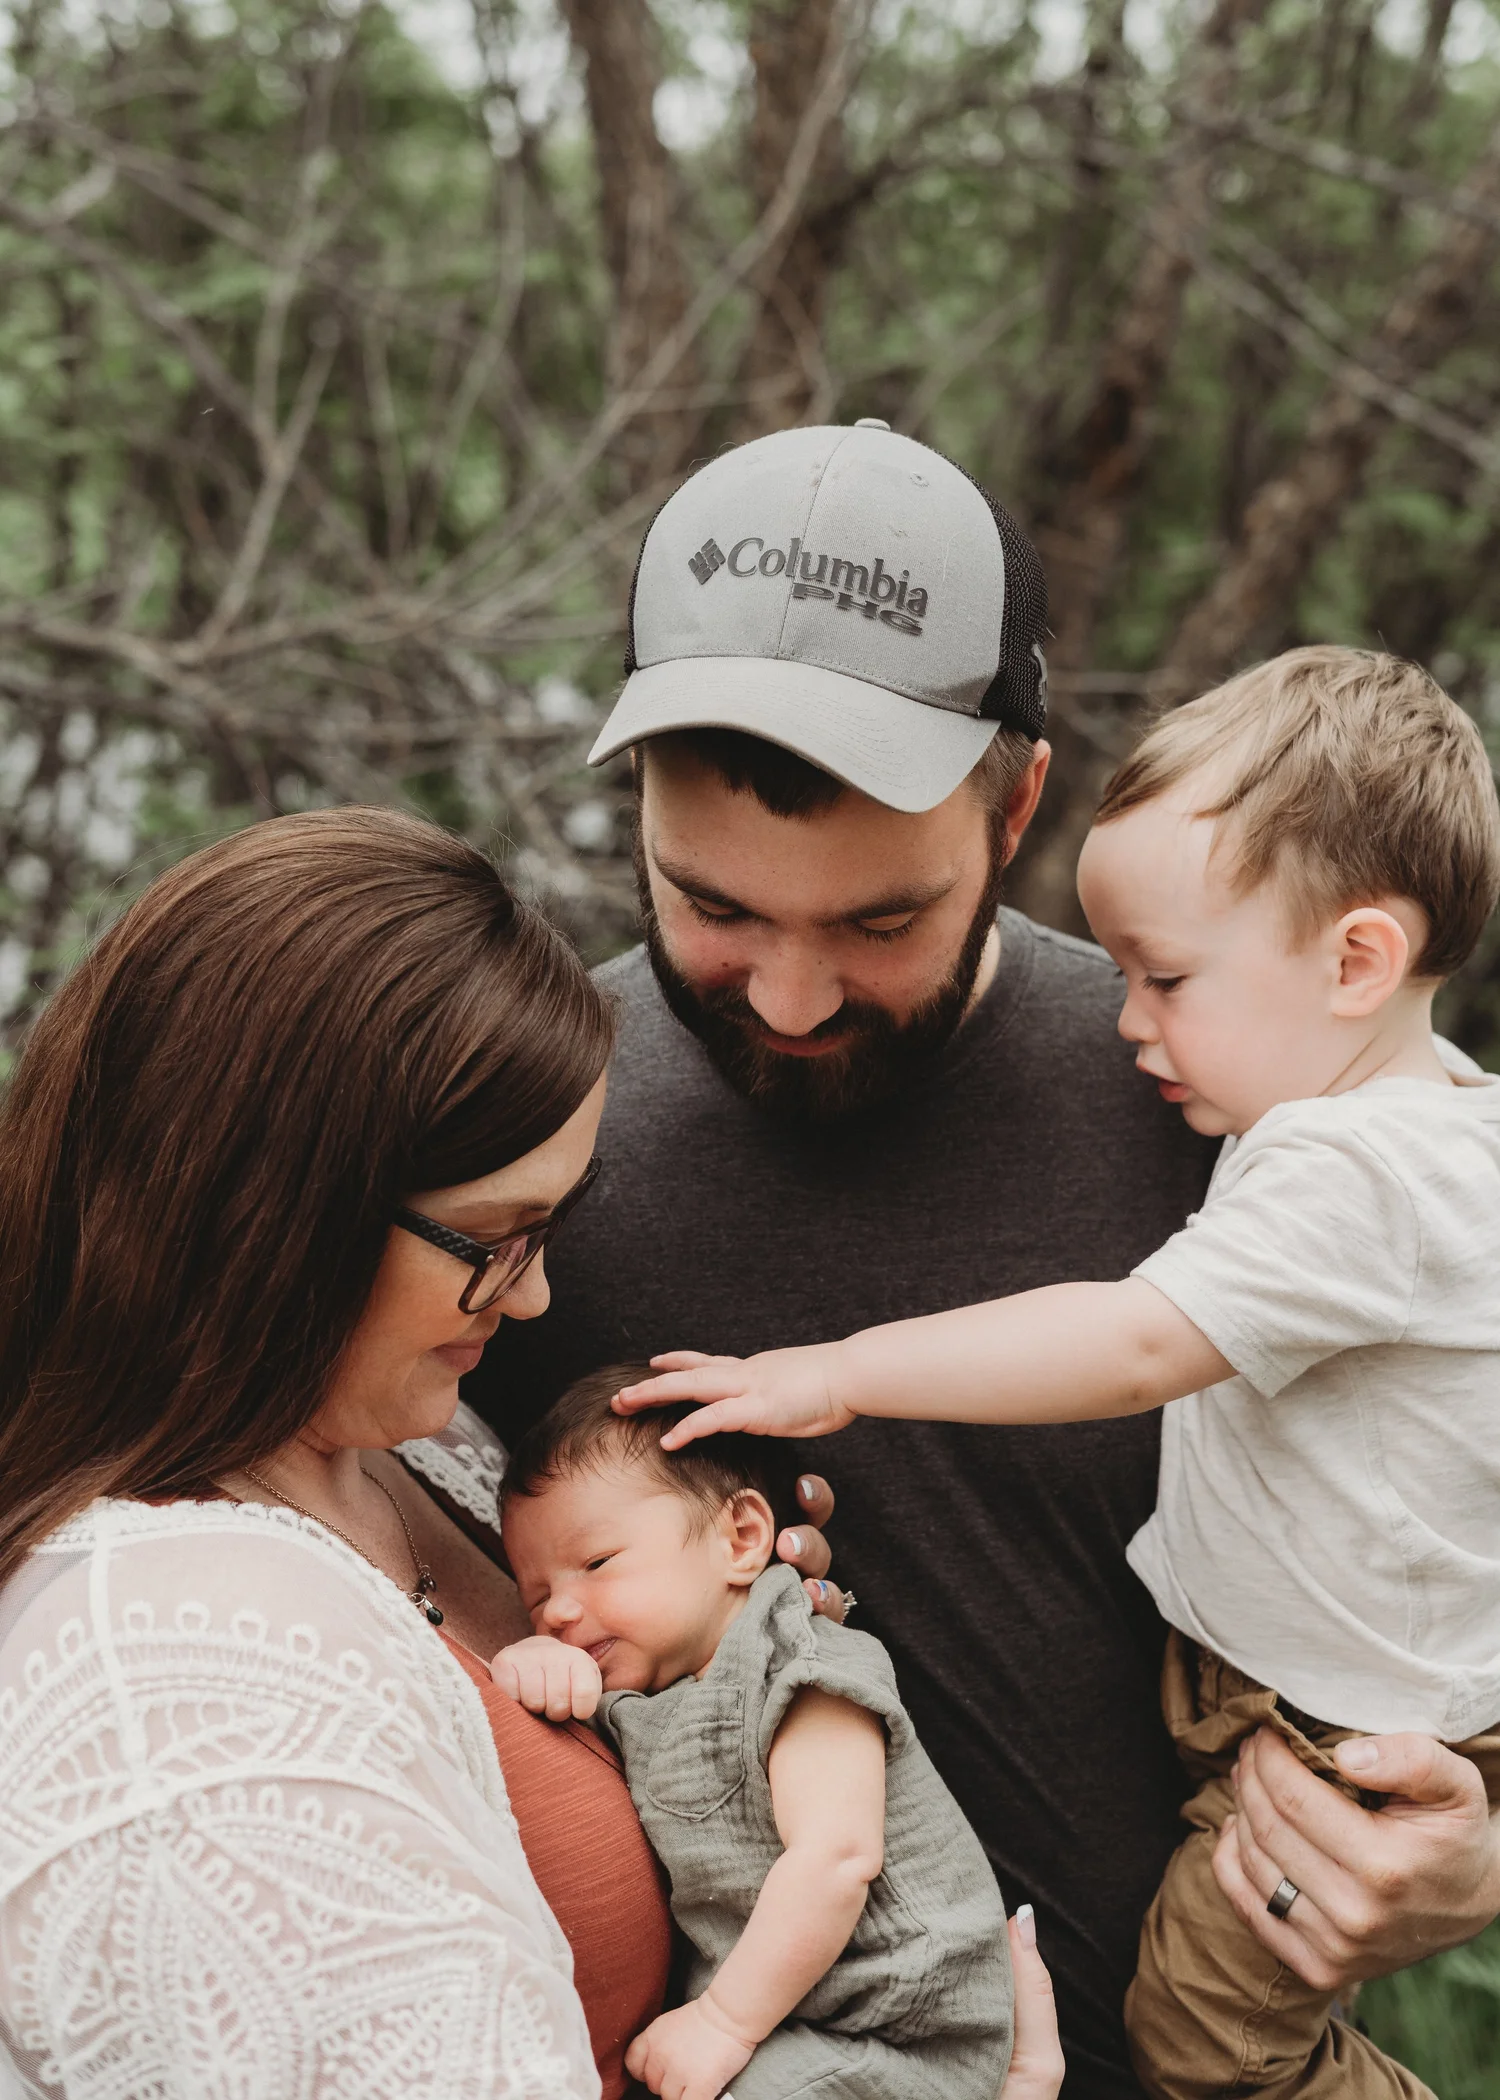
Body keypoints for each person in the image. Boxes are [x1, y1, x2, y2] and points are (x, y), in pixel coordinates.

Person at [469, 423, 1500, 2098]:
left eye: (877, 923)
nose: (790, 998)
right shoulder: (521, 1144)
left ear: (1015, 804)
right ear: (634, 806)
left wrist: (1477, 1856)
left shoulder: (1228, 1097)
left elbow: (1455, 1490)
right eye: (711, 906)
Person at [0, 804, 1062, 2100]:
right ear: (273, 1209)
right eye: (498, 1239)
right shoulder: (194, 1711)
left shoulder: (407, 1440)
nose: (537, 1298)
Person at [492, 1369, 1013, 2100]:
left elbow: (836, 1857)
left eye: (598, 1563)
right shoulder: (643, 1695)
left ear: (740, 1537)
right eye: (537, 1595)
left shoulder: (801, 1661)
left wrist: (723, 2022)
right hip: (795, 2026)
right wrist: (526, 1665)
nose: (561, 1612)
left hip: (902, 2030)